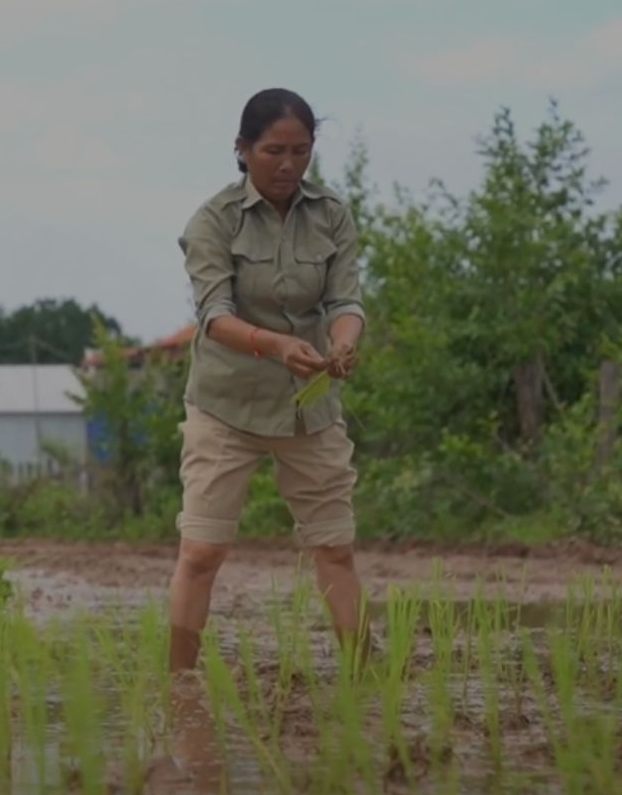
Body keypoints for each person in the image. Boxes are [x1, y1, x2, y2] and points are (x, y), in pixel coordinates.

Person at [167, 88, 369, 672]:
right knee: (202, 551)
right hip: (225, 405)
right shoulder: (212, 222)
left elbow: (345, 300)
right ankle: (178, 682)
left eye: (300, 151)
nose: (287, 165)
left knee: (334, 546)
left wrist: (343, 342)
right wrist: (277, 345)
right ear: (242, 149)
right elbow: (214, 316)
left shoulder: (331, 214)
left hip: (308, 408)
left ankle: (362, 672)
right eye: (273, 150)